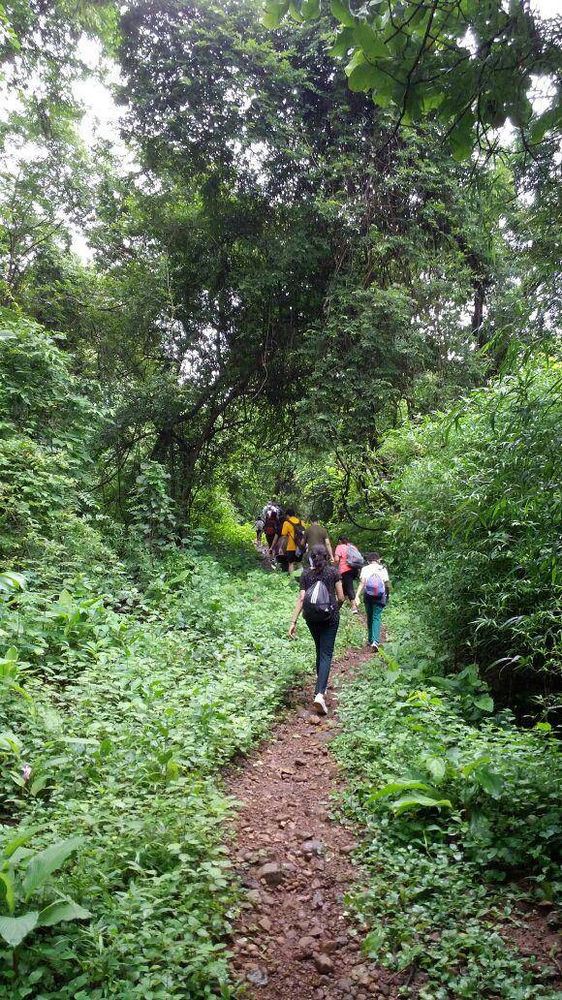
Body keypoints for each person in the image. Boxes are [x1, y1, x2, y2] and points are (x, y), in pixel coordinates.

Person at [288, 543, 344, 715]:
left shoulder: (305, 574)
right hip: (330, 618)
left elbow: (301, 599)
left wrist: (293, 622)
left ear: (311, 557)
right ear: (326, 556)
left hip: (311, 618)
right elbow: (341, 597)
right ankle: (320, 693)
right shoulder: (333, 572)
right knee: (326, 653)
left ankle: (321, 688)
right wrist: (335, 608)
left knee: (319, 650)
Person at [353, 552, 390, 651]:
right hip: (379, 596)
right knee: (376, 617)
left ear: (368, 561)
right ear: (378, 560)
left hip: (368, 596)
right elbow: (387, 584)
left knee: (369, 616)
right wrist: (387, 595)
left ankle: (370, 639)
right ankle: (375, 641)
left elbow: (362, 583)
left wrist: (357, 596)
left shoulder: (365, 569)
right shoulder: (382, 568)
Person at [271, 508, 306, 574]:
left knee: (291, 563)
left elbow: (284, 534)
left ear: (287, 515)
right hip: (300, 546)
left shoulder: (286, 523)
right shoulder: (302, 522)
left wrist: (281, 547)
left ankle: (292, 580)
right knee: (299, 563)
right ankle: (302, 579)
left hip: (291, 547)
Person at [333, 535, 359, 612]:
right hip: (354, 569)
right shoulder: (352, 547)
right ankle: (337, 608)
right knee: (345, 586)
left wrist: (333, 563)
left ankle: (354, 606)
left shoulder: (339, 547)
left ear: (340, 541)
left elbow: (337, 560)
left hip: (345, 570)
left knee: (349, 587)